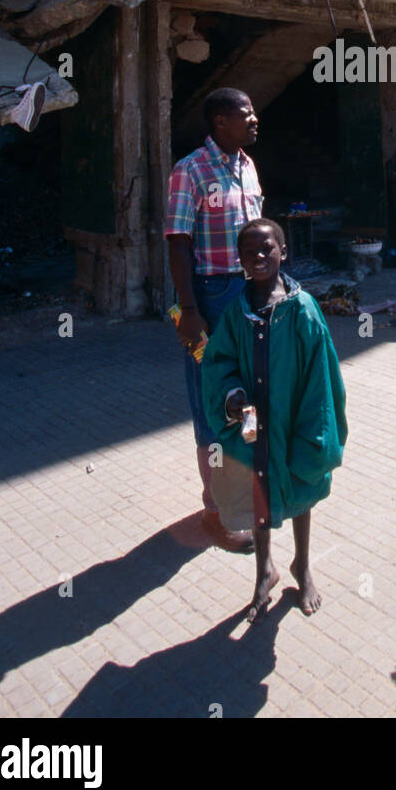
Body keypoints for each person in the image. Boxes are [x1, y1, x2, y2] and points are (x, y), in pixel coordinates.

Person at [201, 219, 347, 622]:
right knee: (257, 488)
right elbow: (218, 362)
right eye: (249, 252)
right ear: (240, 261)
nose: (259, 257)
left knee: (300, 484)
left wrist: (314, 432)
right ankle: (264, 569)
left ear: (284, 251)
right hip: (251, 423)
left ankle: (302, 564)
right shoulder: (236, 312)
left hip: (294, 422)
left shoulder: (303, 310)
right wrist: (232, 398)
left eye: (267, 249)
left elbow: (321, 377)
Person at [165, 87, 262, 549]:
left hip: (250, 294)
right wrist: (188, 308)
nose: (254, 119)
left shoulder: (247, 166)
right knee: (214, 407)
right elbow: (178, 242)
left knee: (249, 399)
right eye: (246, 114)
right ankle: (216, 513)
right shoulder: (190, 171)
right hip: (211, 295)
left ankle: (242, 496)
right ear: (221, 121)